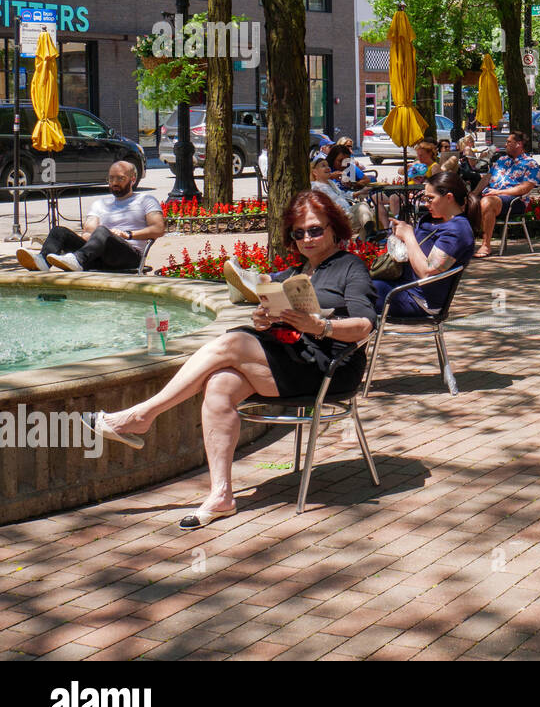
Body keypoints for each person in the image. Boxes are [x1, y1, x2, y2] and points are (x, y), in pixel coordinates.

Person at [86, 189, 376, 529]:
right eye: (299, 233)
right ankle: (221, 495)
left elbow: (364, 325)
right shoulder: (294, 274)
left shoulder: (349, 267)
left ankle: (141, 416)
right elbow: (268, 317)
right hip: (294, 360)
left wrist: (320, 325)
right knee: (219, 383)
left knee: (233, 342)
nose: (307, 238)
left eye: (315, 229)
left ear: (334, 229)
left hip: (331, 368)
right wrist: (264, 318)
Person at [18, 160, 164, 273]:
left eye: (120, 178)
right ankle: (43, 261)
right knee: (59, 231)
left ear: (132, 179)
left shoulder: (145, 200)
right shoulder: (100, 203)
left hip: (128, 256)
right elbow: (89, 231)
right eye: (111, 178)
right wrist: (91, 234)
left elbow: (158, 229)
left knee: (102, 231)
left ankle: (78, 260)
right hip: (96, 256)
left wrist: (128, 234)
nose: (114, 183)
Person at [372, 170, 476, 317]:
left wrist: (408, 236)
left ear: (449, 198)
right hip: (401, 288)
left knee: (356, 292)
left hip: (420, 300)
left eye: (430, 198)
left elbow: (426, 272)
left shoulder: (458, 231)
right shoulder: (431, 220)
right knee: (350, 283)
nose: (426, 204)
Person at [473, 130, 538, 257]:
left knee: (487, 202)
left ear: (518, 144)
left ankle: (486, 245)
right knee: (462, 202)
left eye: (509, 142)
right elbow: (487, 177)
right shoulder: (501, 160)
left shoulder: (530, 164)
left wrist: (499, 192)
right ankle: (462, 244)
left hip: (513, 200)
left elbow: (525, 188)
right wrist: (473, 193)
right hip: (492, 195)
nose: (505, 144)